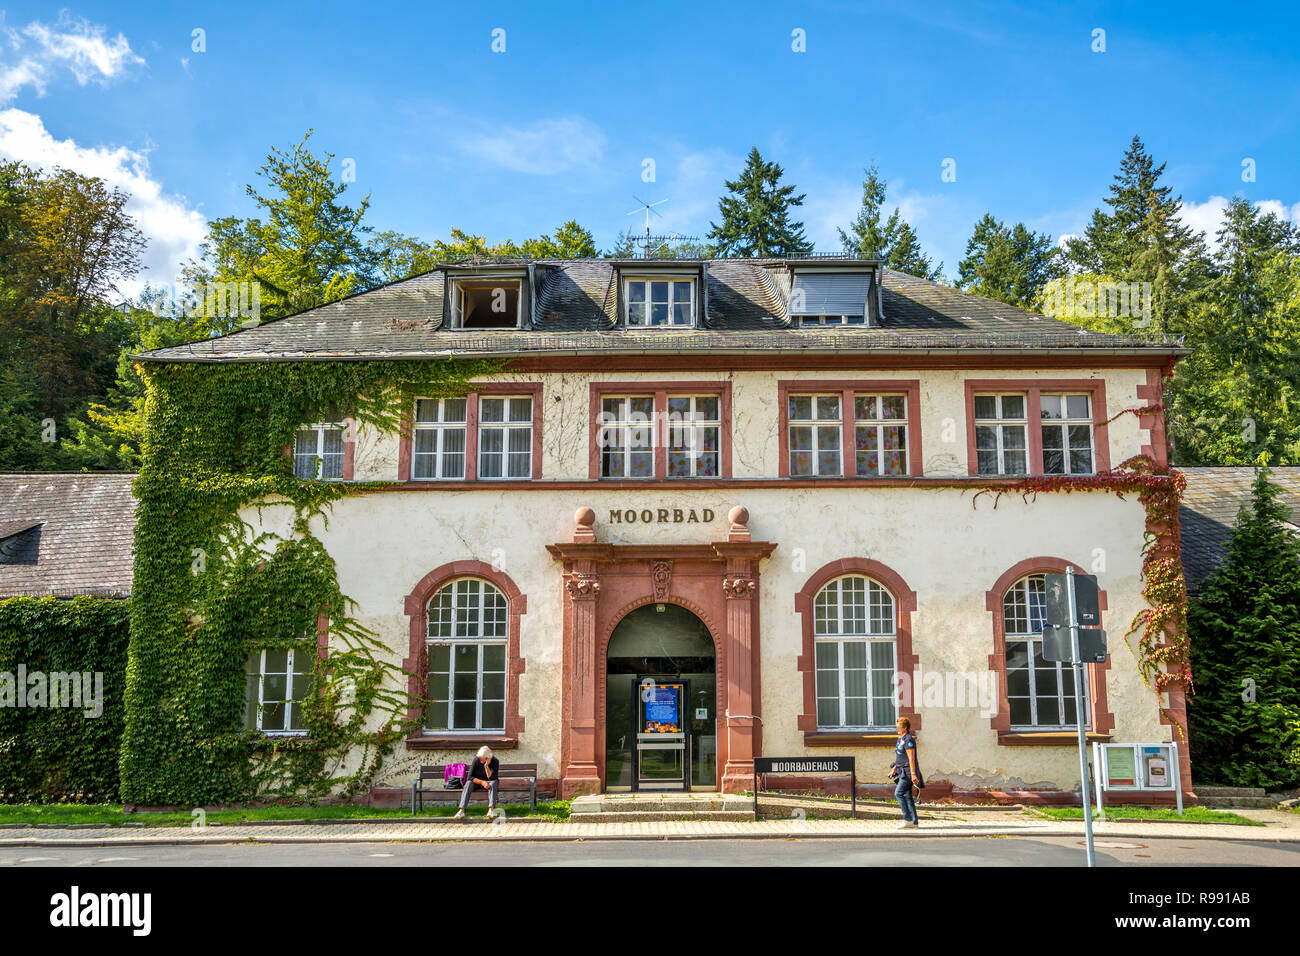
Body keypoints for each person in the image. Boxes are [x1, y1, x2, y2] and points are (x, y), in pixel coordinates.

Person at [888, 716, 923, 828]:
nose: (897, 728)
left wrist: (913, 774)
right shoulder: (900, 739)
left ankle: (907, 819)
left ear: (905, 727)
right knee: (907, 796)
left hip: (907, 772)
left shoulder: (908, 740)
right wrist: (894, 769)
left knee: (898, 793)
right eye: (897, 726)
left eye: (899, 726)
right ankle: (914, 822)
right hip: (901, 770)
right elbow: (900, 756)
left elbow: (911, 759)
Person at [453, 746, 499, 819]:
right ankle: (461, 811)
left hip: (489, 783)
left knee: (494, 783)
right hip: (478, 782)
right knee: (468, 784)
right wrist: (481, 782)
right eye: (479, 757)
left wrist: (486, 766)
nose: (479, 759)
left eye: (481, 758)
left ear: (487, 758)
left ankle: (491, 810)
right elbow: (470, 777)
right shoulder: (476, 759)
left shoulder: (495, 761)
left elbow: (492, 778)